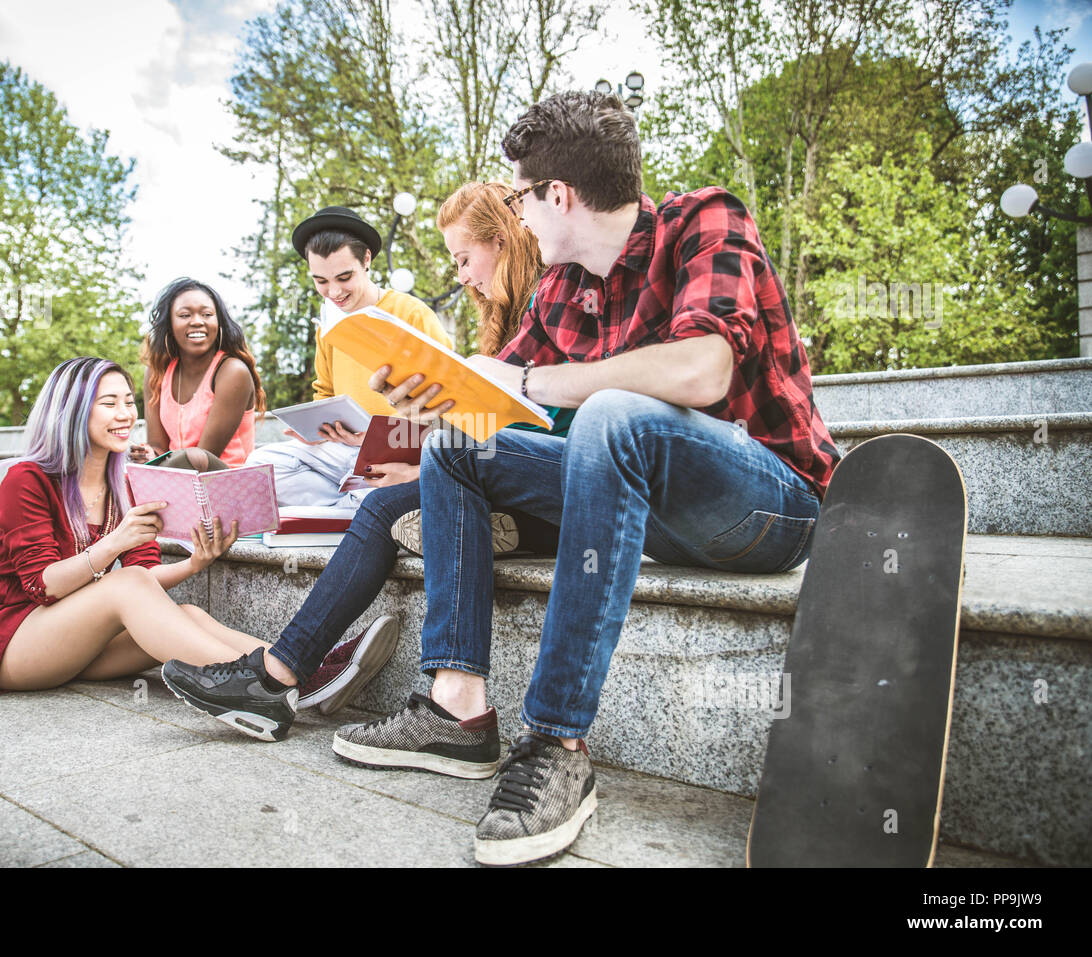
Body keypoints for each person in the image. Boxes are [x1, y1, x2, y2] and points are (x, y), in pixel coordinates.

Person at [334, 91, 843, 866]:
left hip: (768, 504)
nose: (521, 218)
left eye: (521, 198)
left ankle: (559, 739)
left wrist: (543, 385)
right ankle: (457, 707)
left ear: (558, 195)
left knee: (611, 411)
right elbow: (491, 398)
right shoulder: (560, 289)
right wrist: (434, 398)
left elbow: (703, 368)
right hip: (642, 503)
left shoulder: (706, 220)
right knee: (457, 452)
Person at [161, 182, 566, 727]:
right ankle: (281, 676)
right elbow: (472, 422)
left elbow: (521, 427)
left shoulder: (551, 305)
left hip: (537, 473)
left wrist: (426, 450)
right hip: (446, 459)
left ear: (506, 241)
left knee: (396, 494)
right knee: (335, 484)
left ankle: (285, 676)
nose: (462, 276)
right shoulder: (507, 320)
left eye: (465, 259)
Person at [0, 357, 294, 736]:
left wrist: (194, 563)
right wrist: (115, 540)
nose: (125, 414)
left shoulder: (125, 484)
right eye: (109, 404)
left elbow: (146, 573)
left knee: (187, 612)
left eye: (128, 401)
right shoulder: (27, 479)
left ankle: (299, 673)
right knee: (127, 583)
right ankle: (259, 689)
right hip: (12, 645)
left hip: (76, 644)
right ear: (72, 412)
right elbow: (44, 585)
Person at [242, 207, 451, 507]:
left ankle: (352, 502)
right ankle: (349, 502)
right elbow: (324, 391)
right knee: (258, 466)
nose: (334, 292)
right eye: (321, 281)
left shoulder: (412, 315)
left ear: (366, 260)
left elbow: (445, 402)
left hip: (397, 451)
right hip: (339, 450)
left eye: (344, 277)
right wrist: (316, 429)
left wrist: (377, 436)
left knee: (374, 493)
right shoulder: (328, 324)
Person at [129, 278, 265, 472]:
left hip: (225, 481)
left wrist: (158, 464)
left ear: (218, 323)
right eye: (184, 315)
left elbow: (202, 458)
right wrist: (148, 455)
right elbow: (158, 447)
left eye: (207, 314)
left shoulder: (233, 372)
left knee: (193, 456)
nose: (197, 322)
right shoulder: (157, 372)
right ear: (169, 324)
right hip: (176, 480)